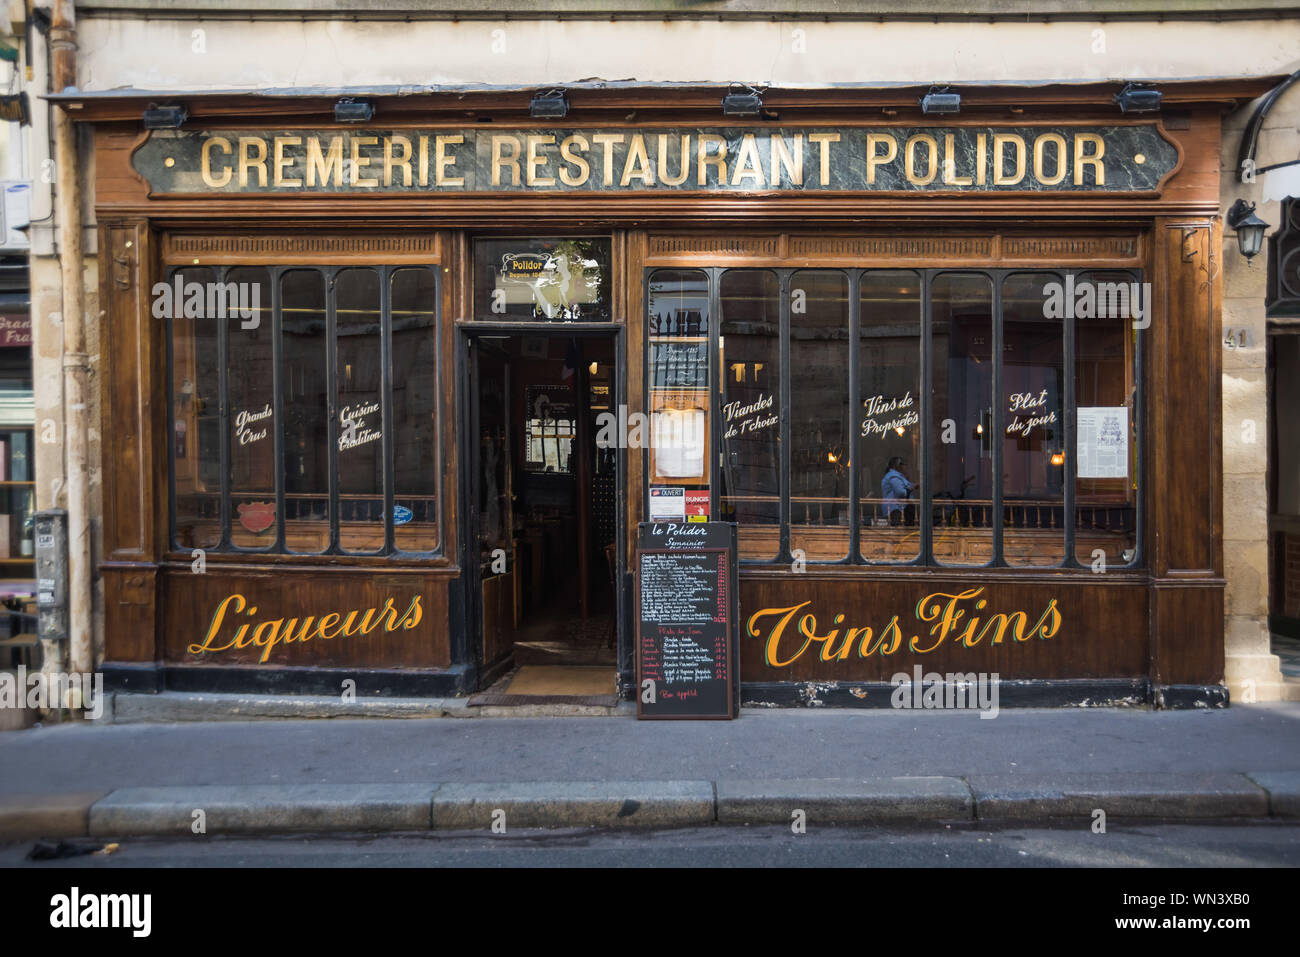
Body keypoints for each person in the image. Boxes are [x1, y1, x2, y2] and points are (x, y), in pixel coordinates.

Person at [881, 456, 916, 526]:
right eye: (902, 464)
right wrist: (911, 488)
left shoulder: (898, 476)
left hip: (899, 508)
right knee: (898, 531)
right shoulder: (893, 476)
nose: (905, 466)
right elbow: (900, 492)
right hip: (895, 509)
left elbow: (905, 485)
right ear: (896, 466)